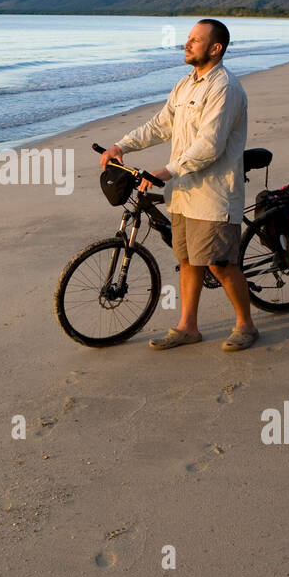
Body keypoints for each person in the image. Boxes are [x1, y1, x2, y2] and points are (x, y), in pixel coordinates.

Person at [100, 19, 258, 351]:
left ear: (215, 48)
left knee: (220, 262)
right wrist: (122, 146)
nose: (186, 44)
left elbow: (209, 146)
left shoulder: (225, 87)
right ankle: (188, 327)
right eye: (187, 39)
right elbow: (160, 124)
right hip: (183, 194)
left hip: (213, 193)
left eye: (195, 40)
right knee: (188, 260)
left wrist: (166, 171)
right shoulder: (186, 84)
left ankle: (246, 325)